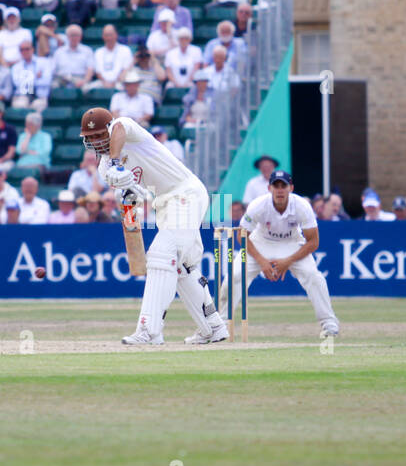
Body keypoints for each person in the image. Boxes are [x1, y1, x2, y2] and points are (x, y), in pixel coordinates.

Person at [80, 106, 227, 346]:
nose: (96, 141)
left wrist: (117, 162)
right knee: (182, 267)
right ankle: (213, 327)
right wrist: (128, 197)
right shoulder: (104, 169)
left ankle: (149, 330)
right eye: (91, 138)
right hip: (164, 205)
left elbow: (119, 127)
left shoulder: (127, 130)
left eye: (99, 135)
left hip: (186, 193)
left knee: (160, 256)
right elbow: (130, 197)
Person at [227, 170, 340, 338]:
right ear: (269, 188)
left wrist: (288, 261)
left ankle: (329, 323)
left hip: (291, 243)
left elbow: (313, 242)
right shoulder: (258, 205)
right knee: (235, 275)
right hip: (261, 241)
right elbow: (241, 236)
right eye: (276, 186)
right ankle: (219, 324)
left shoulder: (302, 206)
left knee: (313, 276)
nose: (280, 190)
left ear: (291, 188)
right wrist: (262, 261)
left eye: (283, 186)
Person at [9, 39, 53, 109]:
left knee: (37, 106)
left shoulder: (44, 62)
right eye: (22, 50)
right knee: (19, 106)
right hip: (22, 97)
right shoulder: (16, 67)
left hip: (40, 96)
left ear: (33, 49)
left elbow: (46, 81)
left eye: (27, 49)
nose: (24, 52)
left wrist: (26, 79)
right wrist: (36, 77)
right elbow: (18, 84)